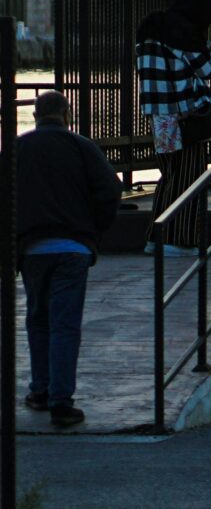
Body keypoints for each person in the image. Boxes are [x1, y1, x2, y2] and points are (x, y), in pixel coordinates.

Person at [16, 90, 122, 429]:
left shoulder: (18, 148)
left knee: (37, 320)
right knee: (65, 325)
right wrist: (92, 230)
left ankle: (40, 391)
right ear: (67, 113)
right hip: (73, 248)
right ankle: (62, 403)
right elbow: (110, 190)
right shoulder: (82, 147)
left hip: (32, 249)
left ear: (35, 115)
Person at [135, 0, 211, 253]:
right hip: (185, 117)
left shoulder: (149, 30)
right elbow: (207, 69)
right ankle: (179, 240)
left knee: (169, 176)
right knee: (189, 177)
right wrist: (210, 50)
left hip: (159, 117)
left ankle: (155, 237)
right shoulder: (184, 33)